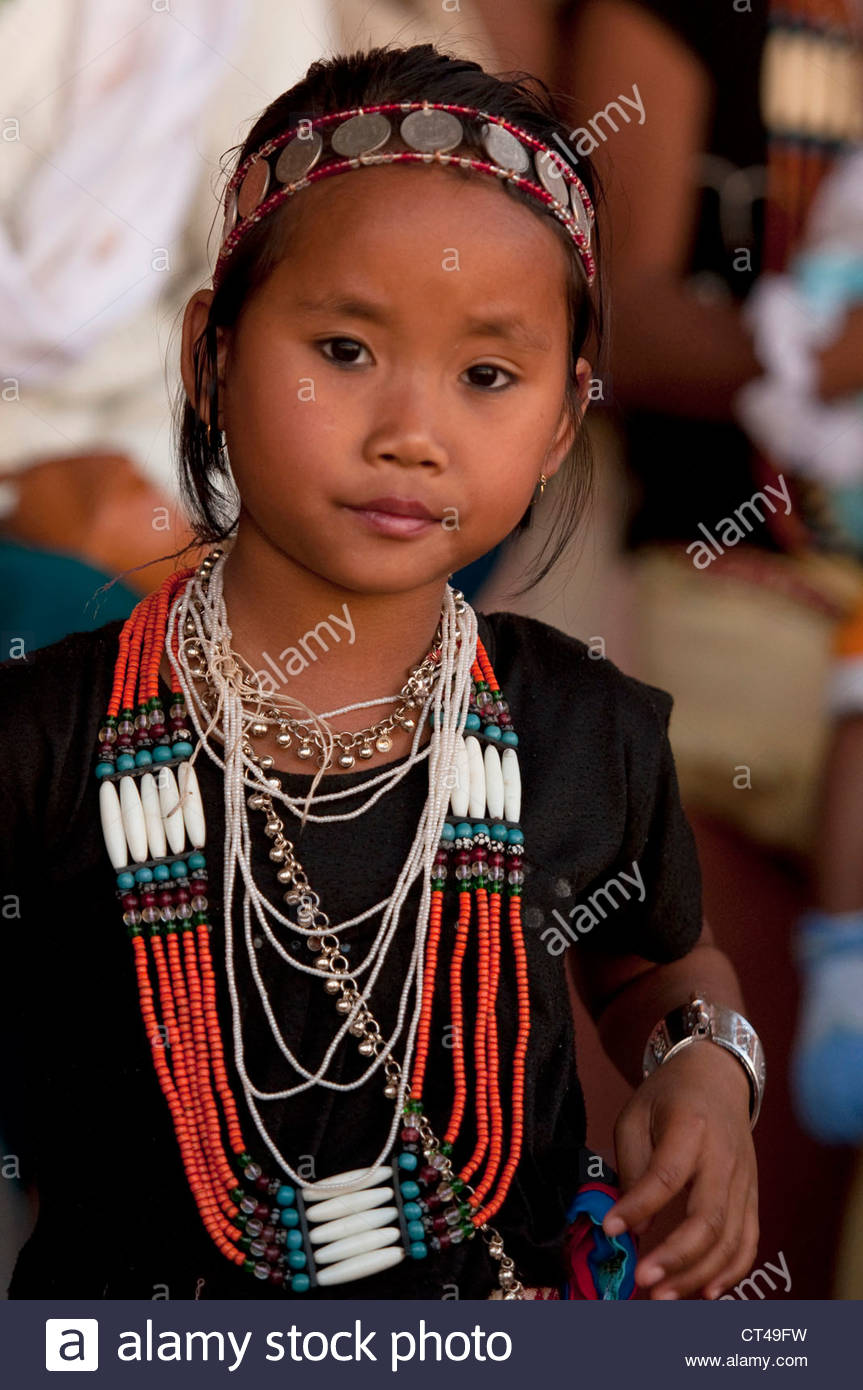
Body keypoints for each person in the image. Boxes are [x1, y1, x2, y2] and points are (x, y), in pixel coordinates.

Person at [0, 43, 762, 1302]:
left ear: (563, 419)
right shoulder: (48, 736)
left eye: (486, 376)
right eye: (344, 350)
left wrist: (703, 1069)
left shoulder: (581, 731)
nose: (413, 431)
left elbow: (655, 964)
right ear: (213, 355)